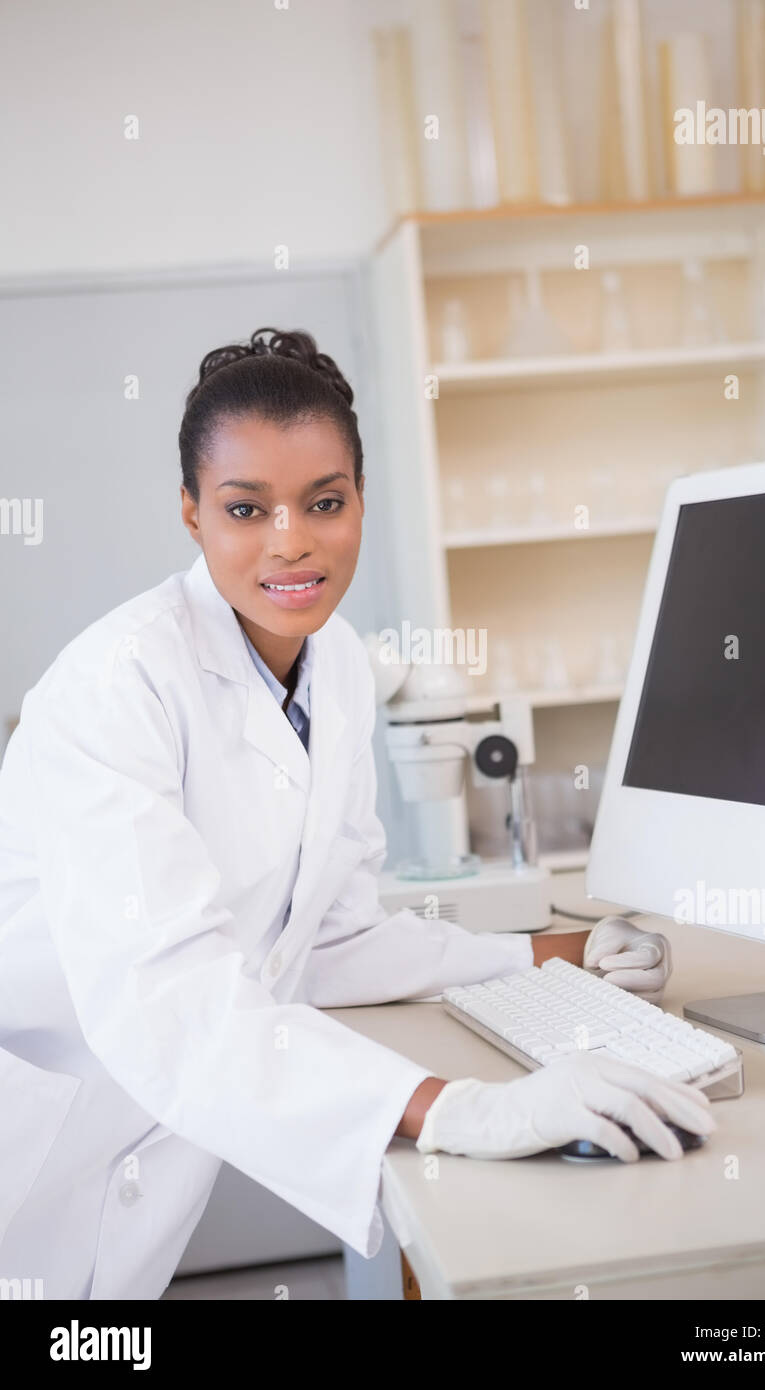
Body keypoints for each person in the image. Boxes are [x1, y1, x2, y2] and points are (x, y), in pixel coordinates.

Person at [0, 327, 714, 1301]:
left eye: (323, 502)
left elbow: (328, 939)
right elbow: (166, 1000)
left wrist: (553, 957)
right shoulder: (111, 687)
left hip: (145, 1161)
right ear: (191, 512)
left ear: (360, 503)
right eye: (246, 508)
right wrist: (459, 1110)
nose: (290, 539)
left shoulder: (332, 667)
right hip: (32, 1151)